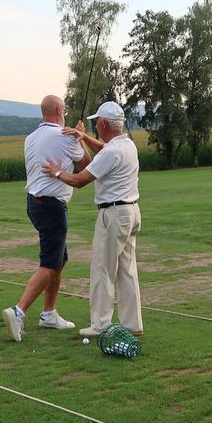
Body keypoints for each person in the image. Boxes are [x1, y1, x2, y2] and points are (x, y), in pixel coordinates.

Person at [42, 101, 143, 339]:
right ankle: (132, 323)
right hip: (131, 213)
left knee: (102, 269)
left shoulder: (111, 151)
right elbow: (104, 149)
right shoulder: (127, 144)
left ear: (105, 123)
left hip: (113, 215)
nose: (95, 124)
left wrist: (57, 171)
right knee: (127, 270)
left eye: (97, 121)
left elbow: (79, 180)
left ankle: (100, 324)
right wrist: (82, 137)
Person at [2, 95, 94, 342]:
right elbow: (88, 167)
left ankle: (49, 313)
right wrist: (80, 137)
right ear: (59, 110)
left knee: (60, 259)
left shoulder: (30, 138)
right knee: (50, 263)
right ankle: (18, 311)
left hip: (34, 204)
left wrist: (77, 135)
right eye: (64, 108)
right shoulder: (66, 136)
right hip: (52, 206)